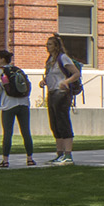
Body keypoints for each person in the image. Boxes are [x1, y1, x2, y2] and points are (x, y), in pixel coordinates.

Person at [39, 33, 85, 165]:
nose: (47, 46)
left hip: (62, 93)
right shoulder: (50, 60)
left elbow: (76, 73)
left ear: (56, 46)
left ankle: (68, 155)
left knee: (63, 122)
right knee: (55, 123)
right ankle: (59, 154)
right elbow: (51, 76)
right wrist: (44, 82)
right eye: (47, 44)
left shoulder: (63, 58)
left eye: (49, 44)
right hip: (52, 92)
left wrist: (66, 82)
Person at [0, 51, 37, 167]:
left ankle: (5, 160)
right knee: (26, 131)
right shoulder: (18, 70)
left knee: (7, 133)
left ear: (2, 59)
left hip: (8, 105)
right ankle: (30, 158)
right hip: (24, 104)